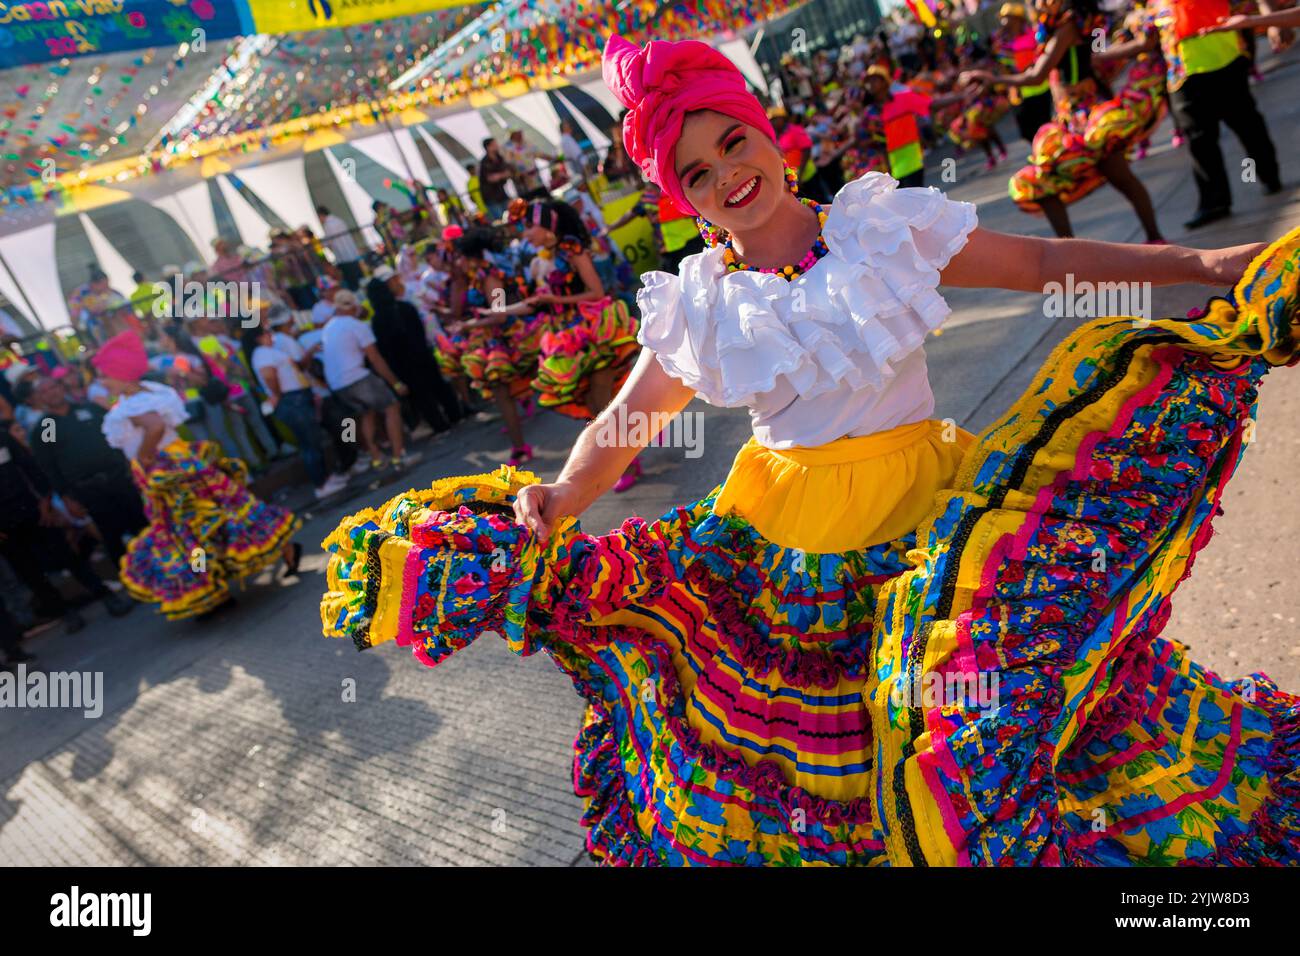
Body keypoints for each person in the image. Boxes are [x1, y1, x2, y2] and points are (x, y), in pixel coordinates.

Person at [322, 34, 1300, 867]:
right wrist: (563, 493)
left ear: (766, 131)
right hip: (787, 558)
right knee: (839, 775)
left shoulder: (883, 232)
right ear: (682, 200)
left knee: (1017, 714)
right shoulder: (701, 305)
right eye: (694, 174)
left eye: (731, 142)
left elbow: (1044, 264)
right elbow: (626, 418)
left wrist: (1206, 266)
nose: (725, 177)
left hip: (936, 528)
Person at [91, 331, 302, 619]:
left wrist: (144, 457)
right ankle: (279, 552)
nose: (101, 382)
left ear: (121, 376)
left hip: (166, 472)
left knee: (190, 528)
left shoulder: (131, 405)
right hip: (182, 461)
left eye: (104, 376)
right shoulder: (150, 391)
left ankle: (213, 591)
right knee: (225, 511)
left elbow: (153, 427)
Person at [972, 0, 1166, 241]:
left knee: (1118, 176)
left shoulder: (1070, 25)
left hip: (1090, 116)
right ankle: (1070, 251)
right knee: (1044, 182)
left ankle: (1154, 237)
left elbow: (1036, 76)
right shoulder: (1060, 26)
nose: (1038, 3)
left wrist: (991, 80)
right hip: (1068, 116)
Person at [1098, 0, 1283, 230]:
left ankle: (1268, 175)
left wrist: (1271, 19)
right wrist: (1101, 54)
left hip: (1225, 62)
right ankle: (1214, 203)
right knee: (1199, 141)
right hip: (1183, 74)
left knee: (1247, 127)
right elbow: (1147, 40)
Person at [0, 416, 135, 634]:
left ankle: (105, 595)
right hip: (5, 528)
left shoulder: (2, 437)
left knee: (67, 556)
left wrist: (45, 500)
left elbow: (30, 467)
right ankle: (65, 613)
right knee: (30, 573)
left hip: (34, 511)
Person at [25, 374, 147, 566]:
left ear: (62, 387)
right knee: (112, 538)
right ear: (39, 398)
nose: (51, 393)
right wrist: (66, 497)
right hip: (90, 490)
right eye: (44, 391)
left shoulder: (88, 409)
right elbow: (49, 464)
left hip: (119, 479)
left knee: (143, 527)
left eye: (53, 387)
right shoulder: (49, 426)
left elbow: (118, 437)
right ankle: (133, 580)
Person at [242, 325, 347, 500]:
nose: (271, 336)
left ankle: (326, 478)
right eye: (267, 333)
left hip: (297, 398)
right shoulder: (262, 354)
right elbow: (269, 376)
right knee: (309, 443)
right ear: (258, 338)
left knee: (313, 440)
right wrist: (277, 394)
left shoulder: (268, 352)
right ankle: (320, 483)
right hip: (292, 401)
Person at [319, 289, 418, 472]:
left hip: (338, 384)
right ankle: (399, 456)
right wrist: (396, 383)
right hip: (355, 377)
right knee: (392, 407)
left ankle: (377, 458)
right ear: (353, 306)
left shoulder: (328, 327)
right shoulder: (355, 325)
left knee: (367, 413)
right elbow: (375, 358)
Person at [365, 265, 464, 437]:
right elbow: (420, 331)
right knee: (439, 385)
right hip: (422, 354)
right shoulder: (405, 307)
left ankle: (439, 424)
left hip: (404, 365)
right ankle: (455, 414)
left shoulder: (377, 321)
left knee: (422, 396)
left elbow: (385, 349)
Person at [316, 206, 365, 290]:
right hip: (351, 254)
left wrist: (319, 244)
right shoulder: (338, 220)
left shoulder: (328, 225)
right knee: (360, 279)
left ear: (321, 215)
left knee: (352, 282)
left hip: (343, 257)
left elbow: (327, 242)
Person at [478, 138, 517, 221]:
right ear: (488, 147)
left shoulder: (499, 158)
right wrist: (503, 175)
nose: (497, 146)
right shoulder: (485, 162)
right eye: (494, 144)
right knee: (501, 220)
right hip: (491, 197)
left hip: (501, 194)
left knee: (511, 216)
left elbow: (509, 172)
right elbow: (491, 178)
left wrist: (500, 175)